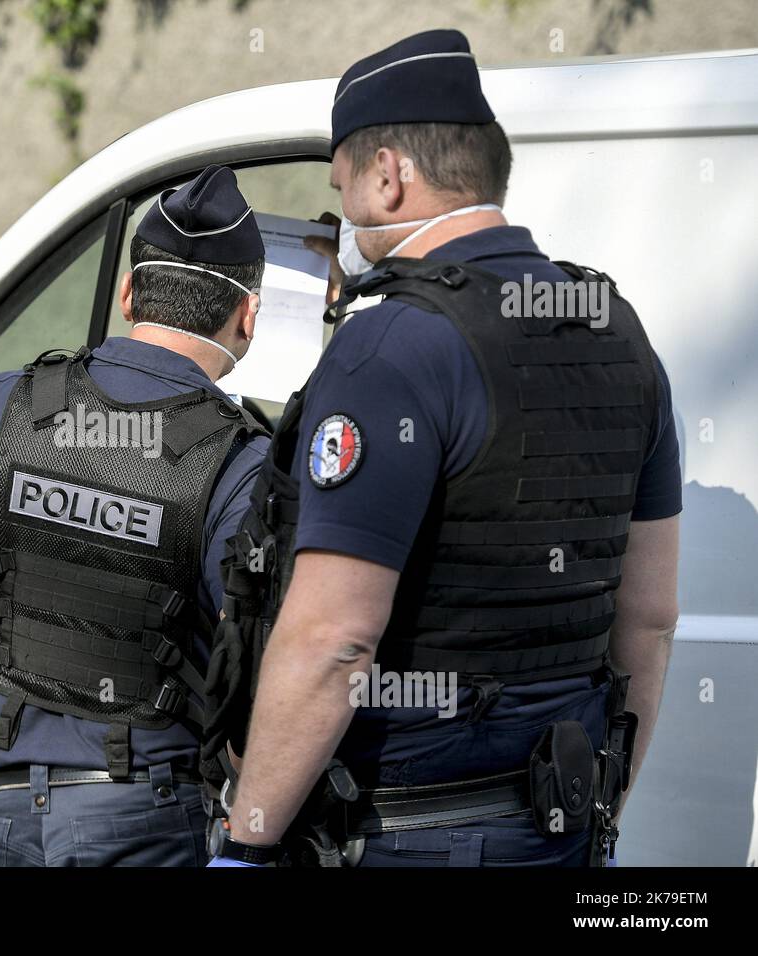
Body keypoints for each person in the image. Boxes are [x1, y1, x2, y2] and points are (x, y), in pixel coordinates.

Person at [204, 29, 681, 867]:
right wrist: (600, 805)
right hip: (560, 833)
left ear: (389, 174)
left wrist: (247, 839)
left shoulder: (391, 347)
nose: (342, 212)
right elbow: (648, 616)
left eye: (343, 185)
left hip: (404, 836)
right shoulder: (618, 330)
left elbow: (334, 639)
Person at [0, 165, 270, 866]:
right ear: (248, 317)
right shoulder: (241, 461)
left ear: (128, 293)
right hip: (145, 815)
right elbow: (258, 665)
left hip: (1, 812)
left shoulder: (3, 406)